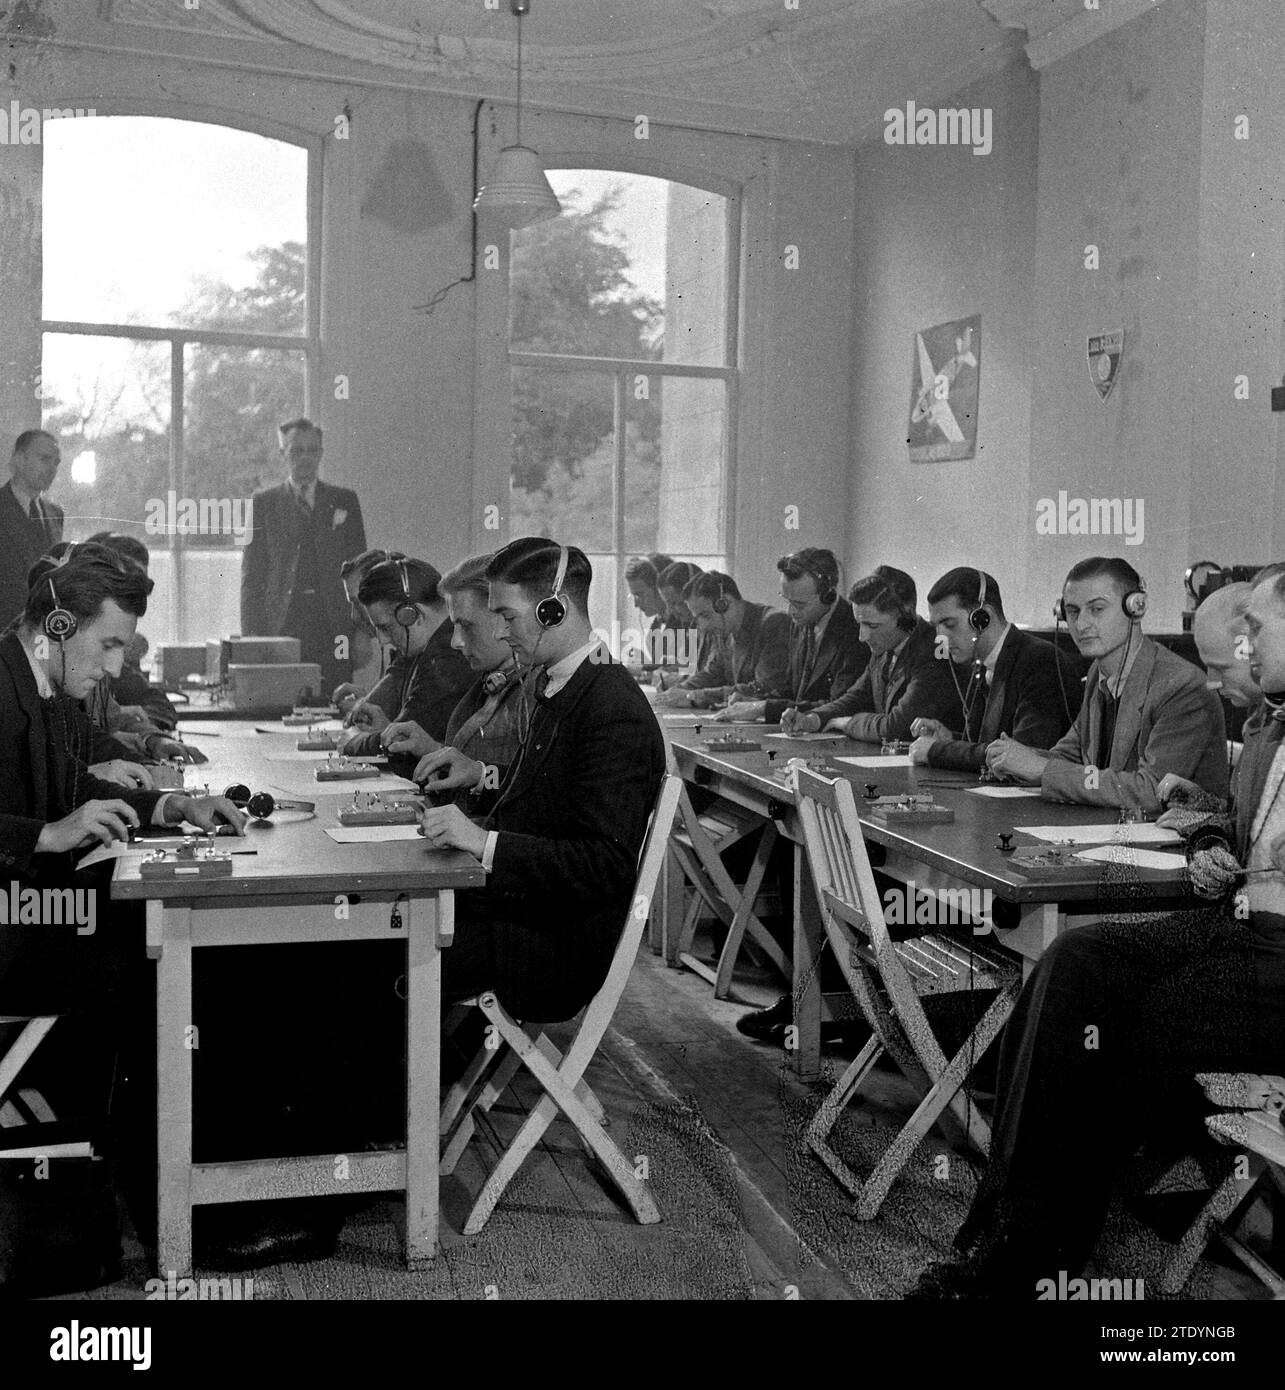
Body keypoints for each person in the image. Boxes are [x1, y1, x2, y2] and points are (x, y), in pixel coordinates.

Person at [910, 571, 1285, 1299]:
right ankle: (1013, 1228)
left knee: (1120, 1024)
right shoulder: (1267, 724)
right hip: (1242, 927)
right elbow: (1245, 829)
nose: (1243, 653)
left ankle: (1036, 1255)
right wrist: (1212, 837)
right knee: (1075, 960)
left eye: (1255, 634)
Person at [410, 537, 666, 1022]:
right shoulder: (566, 683)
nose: (503, 633)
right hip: (524, 916)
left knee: (377, 951)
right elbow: (559, 793)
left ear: (553, 610)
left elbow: (603, 862)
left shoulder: (612, 710)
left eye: (508, 617)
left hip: (549, 948)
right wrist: (483, 775)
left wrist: (483, 842)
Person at [986, 557, 1228, 811]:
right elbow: (1070, 755)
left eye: (1097, 609)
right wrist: (1014, 758)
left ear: (1136, 607)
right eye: (1073, 611)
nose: (1081, 625)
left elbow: (1151, 791)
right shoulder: (1098, 674)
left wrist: (1043, 769)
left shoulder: (1180, 685)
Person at [240, 418, 368, 697]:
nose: (305, 458)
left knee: (337, 699)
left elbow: (362, 574)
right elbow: (251, 578)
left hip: (335, 627)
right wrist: (251, 641)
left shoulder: (344, 500)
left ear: (321, 453)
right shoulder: (264, 504)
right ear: (283, 454)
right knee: (280, 701)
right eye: (297, 450)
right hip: (282, 627)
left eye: (312, 450)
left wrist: (362, 633)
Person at [909, 567, 1080, 771]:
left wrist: (939, 750)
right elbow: (988, 745)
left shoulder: (1040, 659)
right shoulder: (982, 663)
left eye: (949, 624)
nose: (940, 638)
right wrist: (949, 740)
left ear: (983, 617)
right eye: (936, 626)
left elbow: (1022, 754)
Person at [382, 552, 525, 793]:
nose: (455, 642)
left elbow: (530, 793)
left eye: (467, 626)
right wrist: (431, 749)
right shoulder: (487, 684)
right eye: (454, 625)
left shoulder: (535, 695)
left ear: (504, 618)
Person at [784, 565, 961, 741]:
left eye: (872, 625)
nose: (862, 636)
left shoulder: (935, 650)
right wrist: (813, 719)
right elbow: (856, 697)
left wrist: (847, 723)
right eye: (860, 624)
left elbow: (897, 727)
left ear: (906, 616)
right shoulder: (885, 646)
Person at [339, 556, 474, 756]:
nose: (383, 641)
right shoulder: (430, 650)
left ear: (411, 615)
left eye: (386, 628)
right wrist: (386, 729)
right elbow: (408, 732)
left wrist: (353, 741)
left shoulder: (446, 659)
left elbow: (404, 740)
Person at [718, 547, 868, 723]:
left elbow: (838, 704)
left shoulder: (856, 630)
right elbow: (792, 690)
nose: (791, 611)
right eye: (788, 601)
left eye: (799, 604)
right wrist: (756, 701)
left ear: (829, 595)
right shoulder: (802, 623)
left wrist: (764, 708)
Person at [653, 570, 790, 710]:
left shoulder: (773, 623)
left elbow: (763, 688)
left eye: (705, 615)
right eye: (698, 618)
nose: (703, 626)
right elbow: (712, 674)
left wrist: (693, 696)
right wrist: (676, 691)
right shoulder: (725, 630)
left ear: (724, 603)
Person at [0, 429, 64, 626]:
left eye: (56, 463)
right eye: (44, 459)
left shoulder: (55, 513)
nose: (51, 469)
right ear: (19, 459)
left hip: (41, 632)